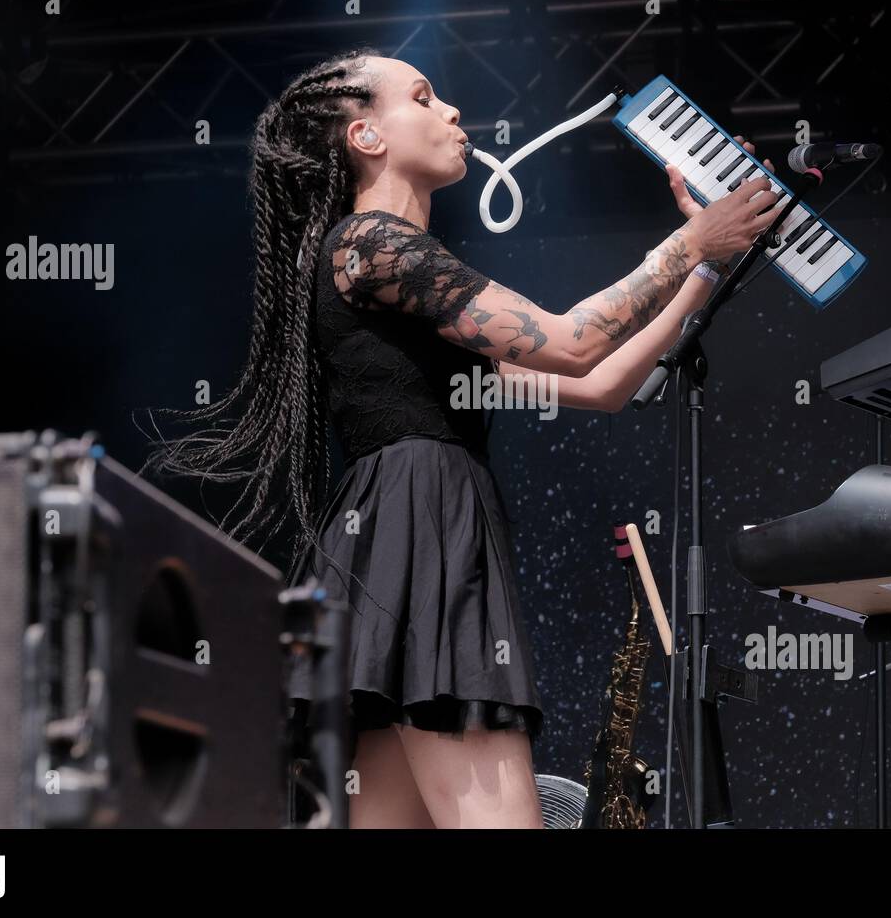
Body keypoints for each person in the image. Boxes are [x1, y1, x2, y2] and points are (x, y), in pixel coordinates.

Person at [145, 46, 777, 828]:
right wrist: (688, 245)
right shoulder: (371, 245)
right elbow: (571, 339)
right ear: (366, 137)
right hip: (422, 530)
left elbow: (600, 384)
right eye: (422, 95)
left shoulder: (407, 284)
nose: (450, 111)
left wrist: (710, 266)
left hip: (393, 548)